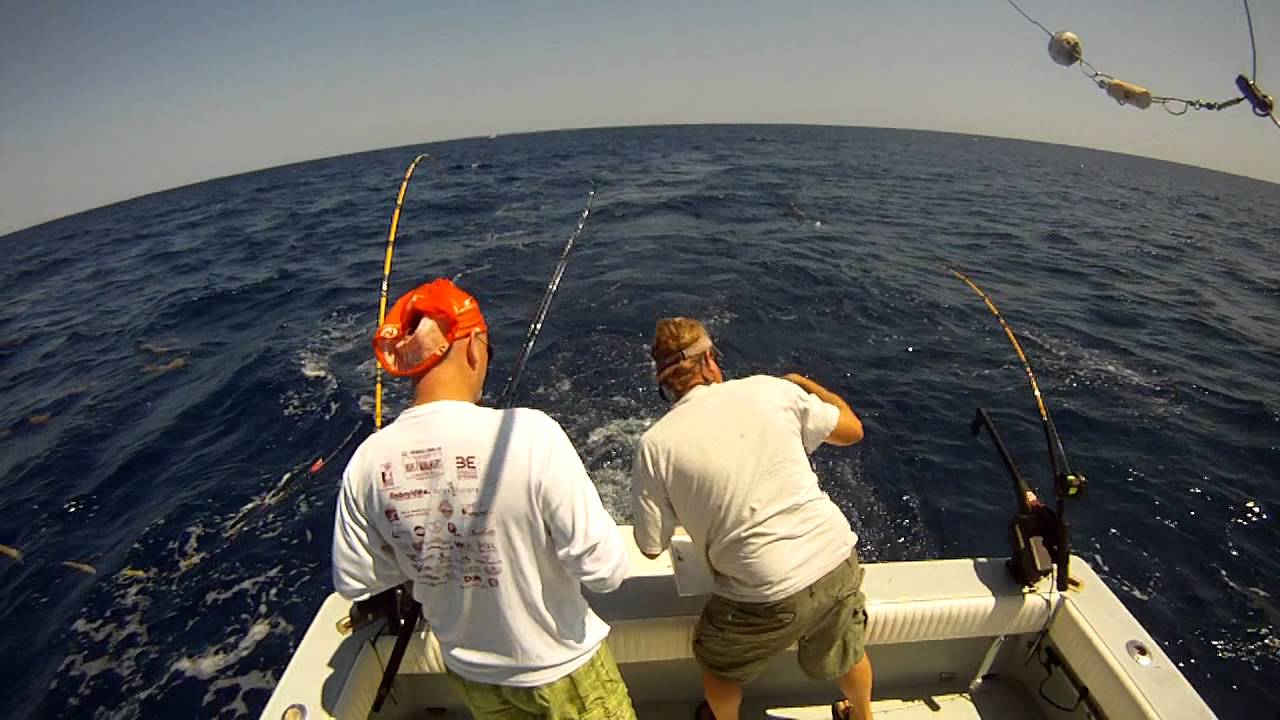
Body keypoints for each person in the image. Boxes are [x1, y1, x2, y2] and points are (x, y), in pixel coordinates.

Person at [332, 278, 636, 720]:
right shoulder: (532, 433)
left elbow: (355, 581)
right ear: (474, 345)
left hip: (472, 675)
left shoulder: (367, 461)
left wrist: (428, 554)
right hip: (562, 670)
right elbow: (606, 571)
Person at [631, 317, 873, 720]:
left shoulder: (655, 444)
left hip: (764, 590)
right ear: (710, 358)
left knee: (720, 668)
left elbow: (651, 545)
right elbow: (852, 431)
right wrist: (810, 387)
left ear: (665, 379)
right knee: (849, 651)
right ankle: (862, 715)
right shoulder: (771, 389)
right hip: (836, 557)